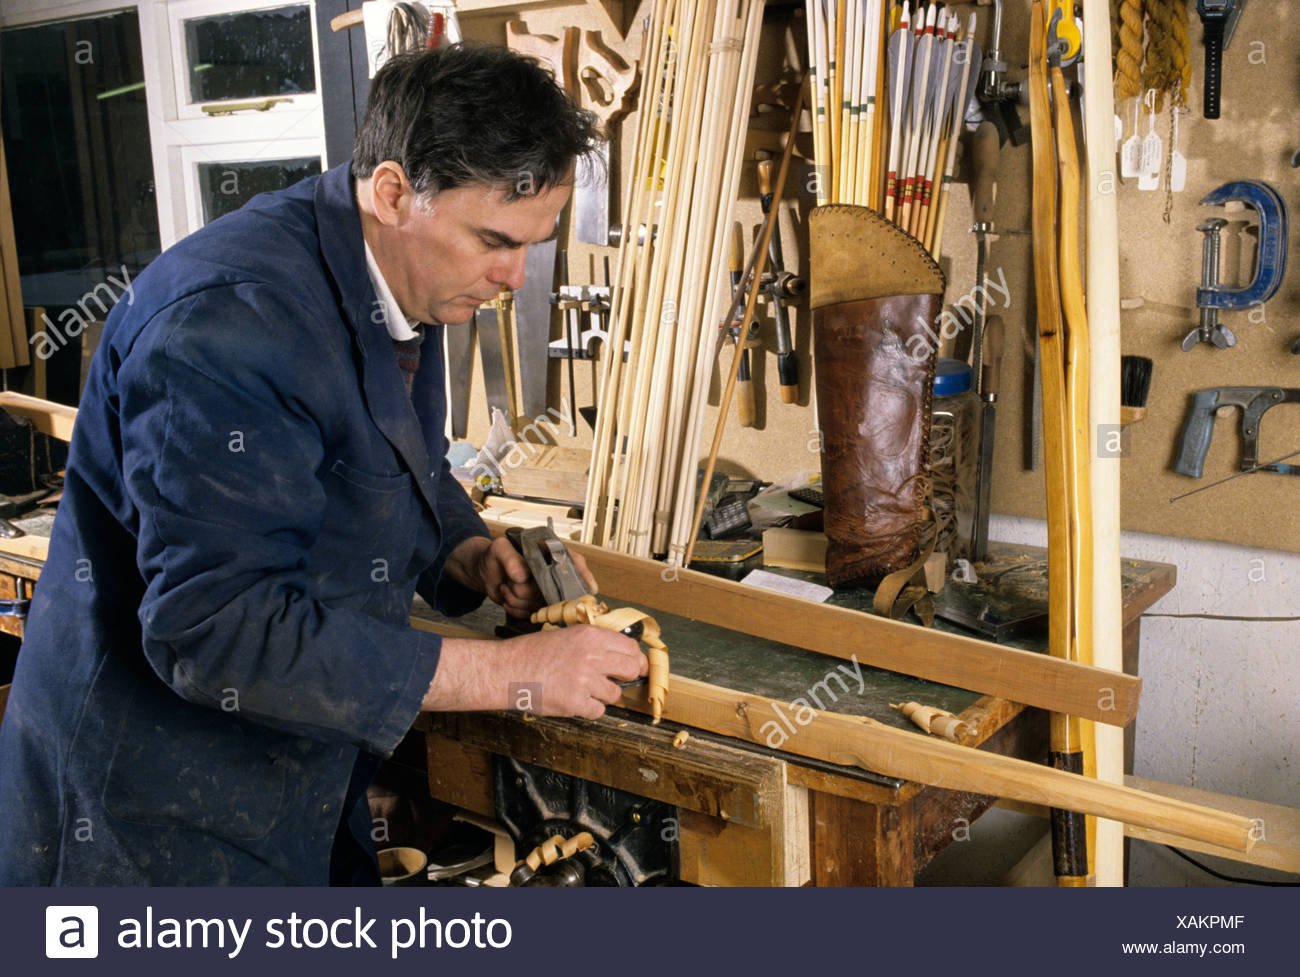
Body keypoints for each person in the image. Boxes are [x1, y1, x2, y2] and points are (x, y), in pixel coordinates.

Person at [0, 43, 646, 885]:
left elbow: (388, 448)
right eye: (495, 240)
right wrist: (512, 674)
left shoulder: (408, 271)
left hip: (293, 764)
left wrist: (463, 548)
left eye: (532, 245)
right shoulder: (228, 327)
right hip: (147, 811)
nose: (514, 277)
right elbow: (215, 630)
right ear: (392, 192)